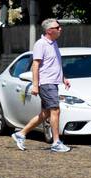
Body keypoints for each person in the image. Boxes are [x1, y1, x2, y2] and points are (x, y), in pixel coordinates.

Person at [11, 18, 72, 153]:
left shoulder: (54, 43)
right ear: (49, 30)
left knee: (45, 113)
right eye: (57, 27)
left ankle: (20, 134)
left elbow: (54, 65)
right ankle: (56, 142)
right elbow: (35, 65)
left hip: (53, 82)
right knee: (55, 110)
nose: (60, 29)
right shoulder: (41, 44)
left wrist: (63, 78)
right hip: (46, 83)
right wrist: (35, 85)